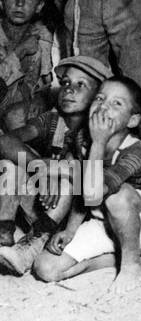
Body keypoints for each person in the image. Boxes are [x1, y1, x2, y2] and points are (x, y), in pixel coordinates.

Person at [32, 76, 141, 295]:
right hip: (104, 222)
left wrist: (99, 142)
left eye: (117, 103)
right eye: (100, 98)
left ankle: (132, 264)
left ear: (133, 120)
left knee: (117, 195)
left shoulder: (136, 151)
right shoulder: (82, 140)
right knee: (45, 268)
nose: (104, 107)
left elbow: (95, 193)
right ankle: (123, 258)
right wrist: (70, 230)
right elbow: (83, 189)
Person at [0, 55, 108, 271]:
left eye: (80, 85)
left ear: (98, 96)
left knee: (71, 173)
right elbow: (6, 141)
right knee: (9, 163)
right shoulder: (52, 120)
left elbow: (92, 183)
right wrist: (41, 168)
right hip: (43, 200)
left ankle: (32, 246)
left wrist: (56, 170)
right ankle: (4, 233)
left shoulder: (99, 130)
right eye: (65, 83)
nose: (69, 90)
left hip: (74, 216)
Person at [0, 0, 56, 125]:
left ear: (39, 6)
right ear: (1, 2)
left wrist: (40, 98)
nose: (20, 3)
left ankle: (19, 144)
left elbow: (46, 81)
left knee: (19, 116)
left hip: (17, 114)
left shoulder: (42, 36)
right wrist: (20, 51)